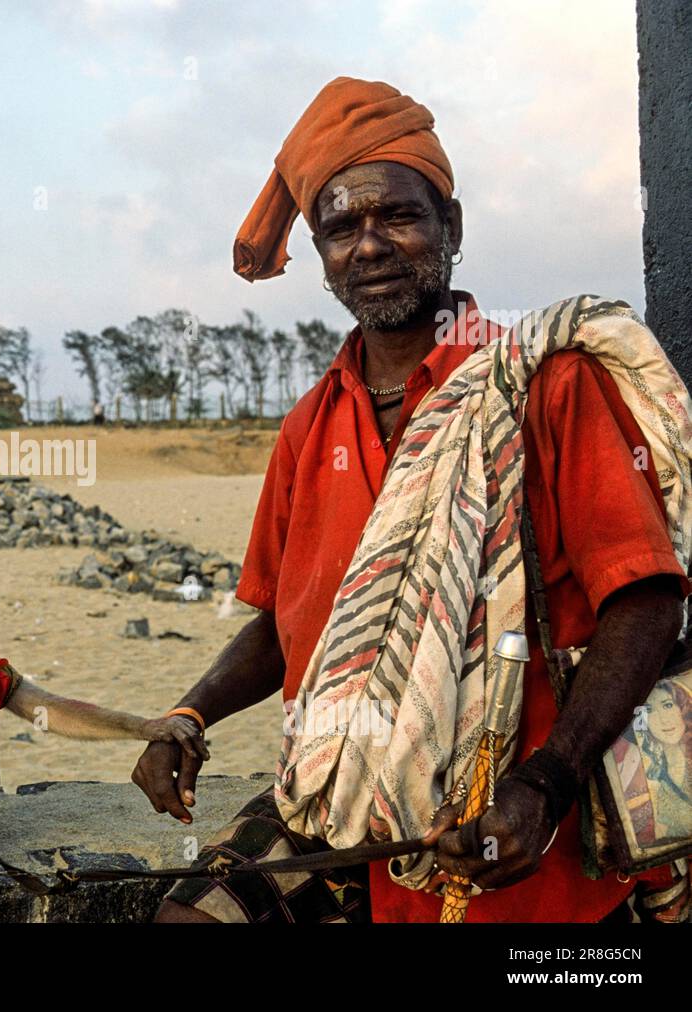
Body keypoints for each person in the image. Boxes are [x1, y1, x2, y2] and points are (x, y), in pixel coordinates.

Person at [131, 76, 692, 924]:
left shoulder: (544, 387)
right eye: (341, 228)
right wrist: (189, 712)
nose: (369, 246)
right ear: (319, 254)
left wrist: (545, 785)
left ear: (450, 227)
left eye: (397, 216)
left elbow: (645, 599)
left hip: (514, 817)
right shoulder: (309, 428)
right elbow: (288, 625)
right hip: (346, 802)